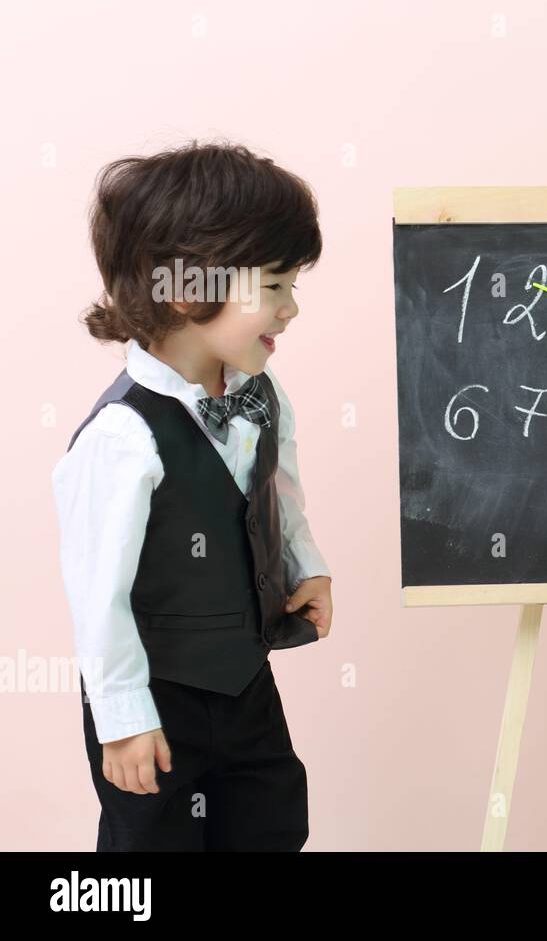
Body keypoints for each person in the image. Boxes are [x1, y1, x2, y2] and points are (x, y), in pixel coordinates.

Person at [51, 141, 334, 850]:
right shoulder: (121, 437)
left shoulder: (260, 397)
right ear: (186, 288)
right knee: (154, 842)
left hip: (243, 678)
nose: (291, 308)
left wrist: (308, 567)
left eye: (293, 284)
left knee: (271, 819)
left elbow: (278, 491)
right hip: (155, 691)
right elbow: (98, 594)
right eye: (273, 286)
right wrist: (121, 718)